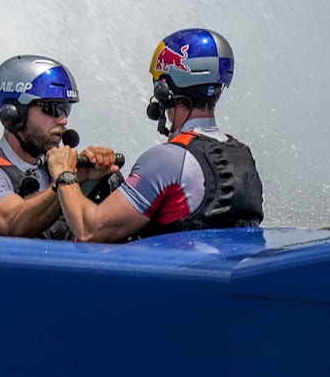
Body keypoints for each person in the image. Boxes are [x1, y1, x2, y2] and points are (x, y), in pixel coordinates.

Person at [55, 28, 263, 242]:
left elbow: (90, 230)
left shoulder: (167, 159)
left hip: (179, 273)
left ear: (163, 89)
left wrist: (64, 174)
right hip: (217, 270)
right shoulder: (243, 155)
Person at [0, 55, 119, 236]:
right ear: (14, 114)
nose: (64, 119)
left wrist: (87, 177)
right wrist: (66, 178)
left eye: (66, 109)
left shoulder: (57, 169)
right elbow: (13, 222)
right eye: (52, 108)